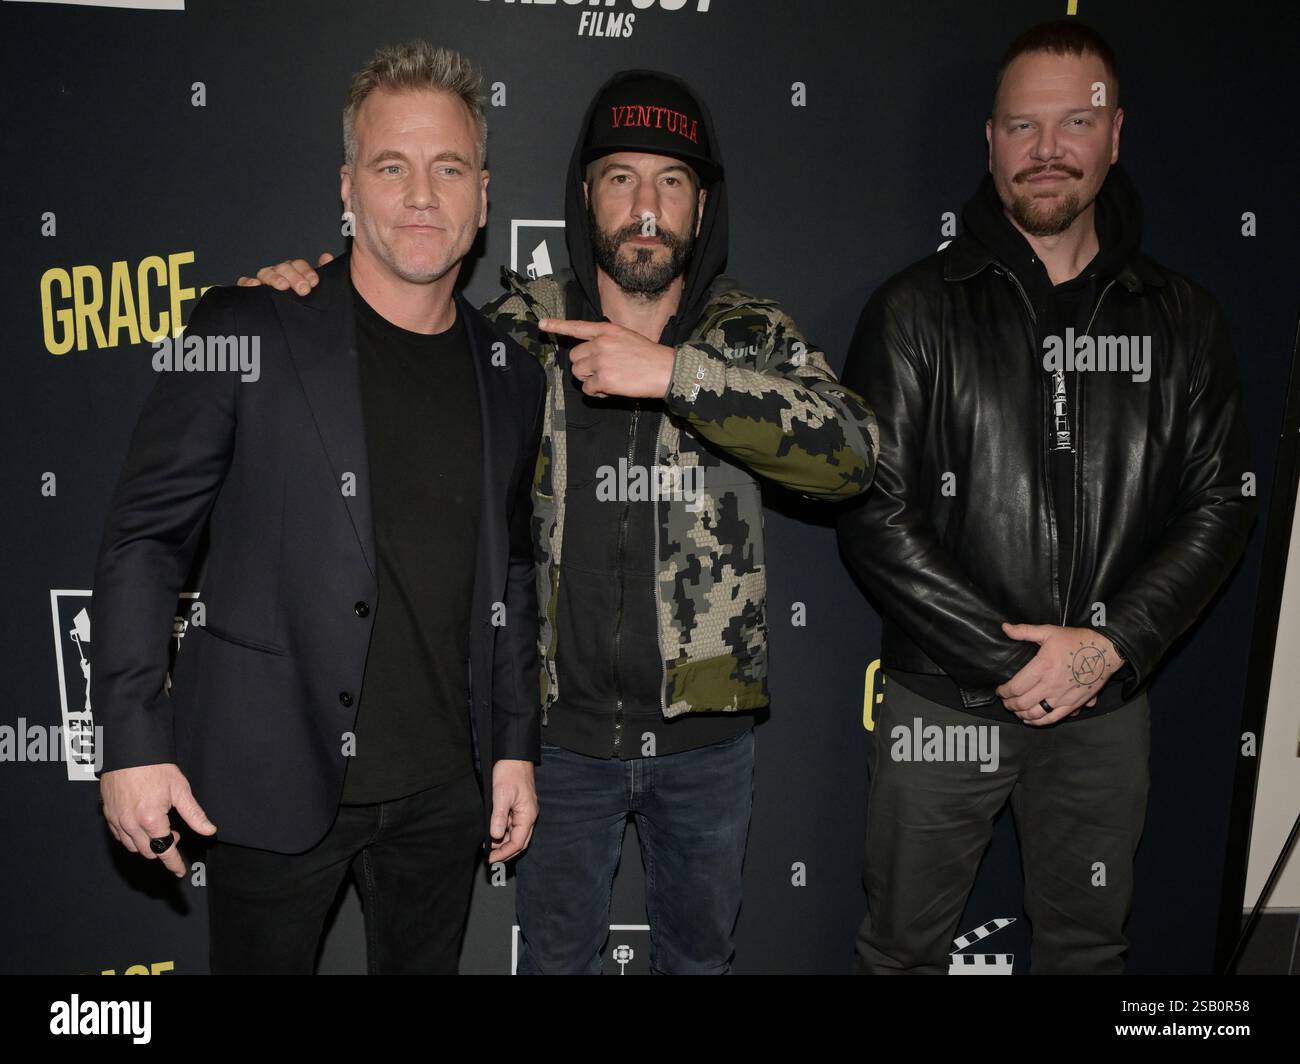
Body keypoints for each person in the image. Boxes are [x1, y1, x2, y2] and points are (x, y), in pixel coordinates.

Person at [244, 69, 878, 974]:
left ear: (703, 205)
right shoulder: (517, 329)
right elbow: (395, 337)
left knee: (701, 962)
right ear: (586, 197)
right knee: (552, 965)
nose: (646, 206)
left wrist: (674, 375)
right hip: (555, 744)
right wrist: (302, 289)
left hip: (706, 746)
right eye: (621, 177)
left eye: (671, 182)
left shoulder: (750, 336)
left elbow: (855, 453)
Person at [93, 41, 544, 974]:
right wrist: (132, 743)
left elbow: (511, 570)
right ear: (348, 187)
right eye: (392, 166)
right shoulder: (241, 328)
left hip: (443, 797)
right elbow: (144, 540)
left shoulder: (511, 375)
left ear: (484, 196)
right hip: (266, 780)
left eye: (449, 167)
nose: (422, 194)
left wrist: (512, 748)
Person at [836, 19, 1257, 974]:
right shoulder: (914, 310)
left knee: (1086, 953)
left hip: (1104, 707)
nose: (1048, 150)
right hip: (941, 701)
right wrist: (1009, 662)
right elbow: (873, 511)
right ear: (990, 141)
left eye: (1076, 122)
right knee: (901, 952)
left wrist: (1105, 651)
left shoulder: (1183, 319)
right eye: (1023, 128)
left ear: (1116, 134)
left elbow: (1222, 504)